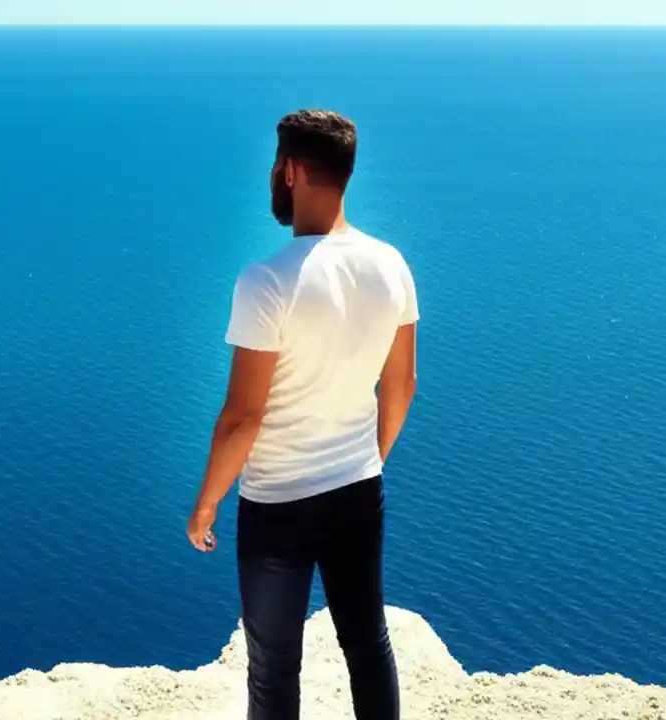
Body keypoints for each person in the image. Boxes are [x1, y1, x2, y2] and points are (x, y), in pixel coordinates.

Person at [185, 109, 418, 720]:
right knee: (368, 645)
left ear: (289, 171)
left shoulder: (265, 281)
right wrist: (366, 459)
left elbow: (243, 416)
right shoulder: (391, 264)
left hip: (277, 506)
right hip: (358, 490)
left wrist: (208, 501)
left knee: (273, 664)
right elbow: (401, 387)